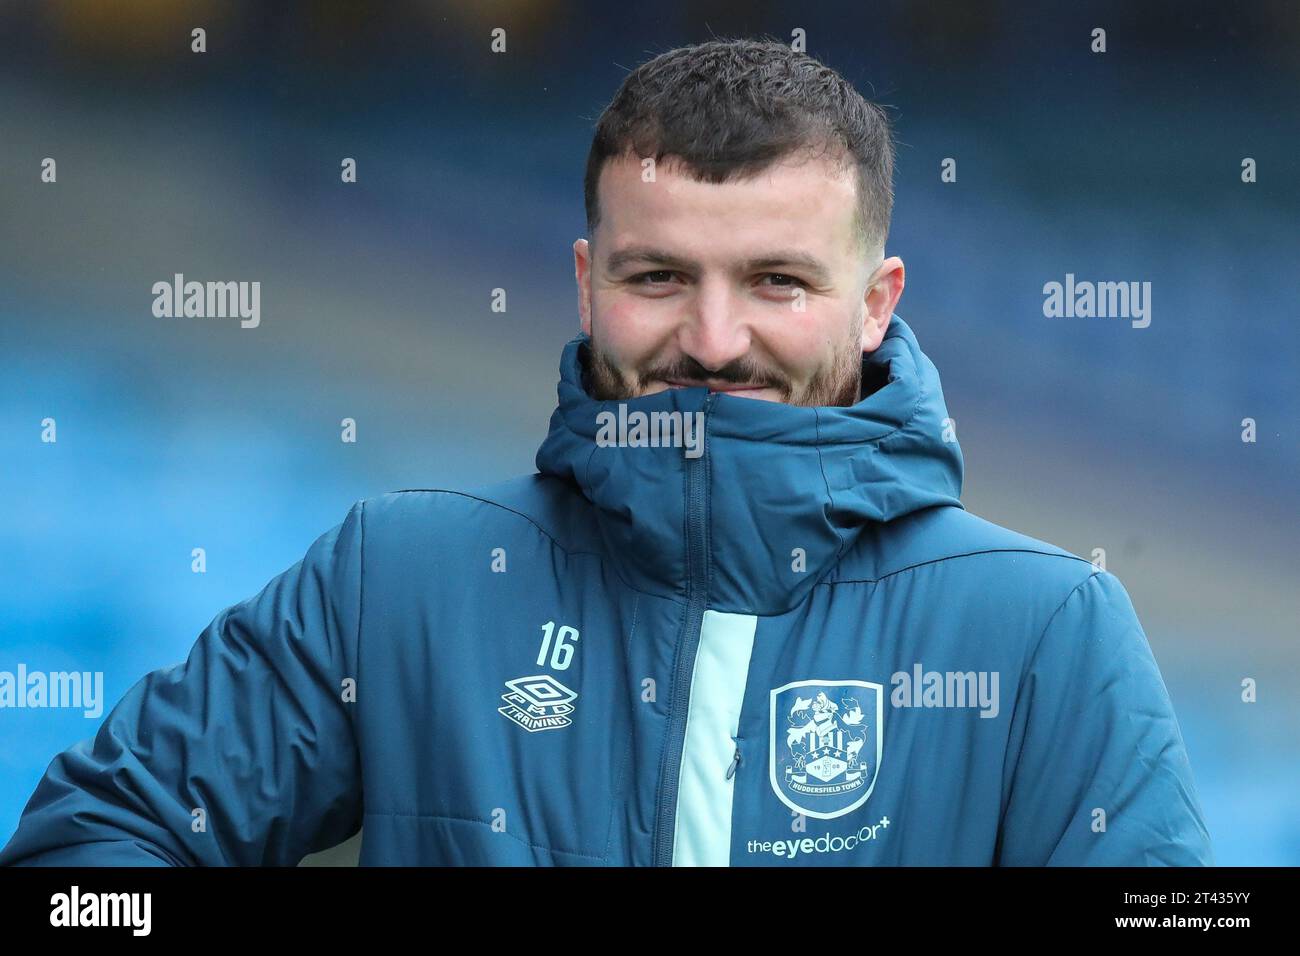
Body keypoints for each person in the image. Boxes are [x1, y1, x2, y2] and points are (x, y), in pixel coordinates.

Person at [0, 37, 1212, 867]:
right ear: (588, 283)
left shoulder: (1045, 628)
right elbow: (92, 849)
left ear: (875, 300)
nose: (713, 337)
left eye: (776, 281)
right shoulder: (402, 577)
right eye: (659, 276)